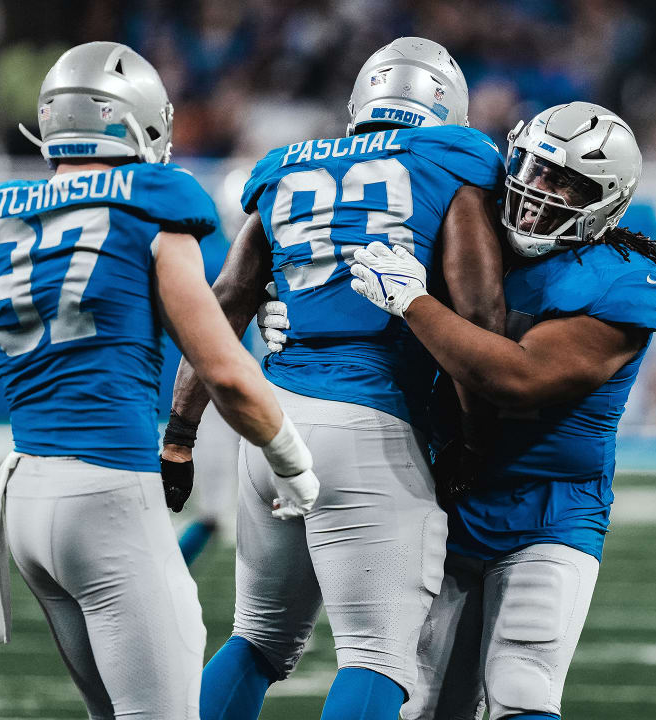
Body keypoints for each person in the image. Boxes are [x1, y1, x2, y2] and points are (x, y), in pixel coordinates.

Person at [0, 41, 319, 719]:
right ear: (136, 122)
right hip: (110, 494)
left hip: (26, 504)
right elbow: (223, 369)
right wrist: (294, 464)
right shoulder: (148, 209)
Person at [164, 36, 507, 720]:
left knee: (259, 639)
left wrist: (178, 433)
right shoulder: (456, 158)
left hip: (273, 424)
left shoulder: (285, 166)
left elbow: (225, 300)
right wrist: (474, 439)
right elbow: (479, 311)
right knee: (380, 656)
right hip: (370, 424)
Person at [345, 101, 656, 720]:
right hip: (447, 494)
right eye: (533, 167)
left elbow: (520, 379)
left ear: (604, 201)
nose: (536, 190)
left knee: (522, 687)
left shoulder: (621, 278)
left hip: (552, 506)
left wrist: (414, 299)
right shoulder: (469, 234)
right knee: (426, 704)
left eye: (565, 182)